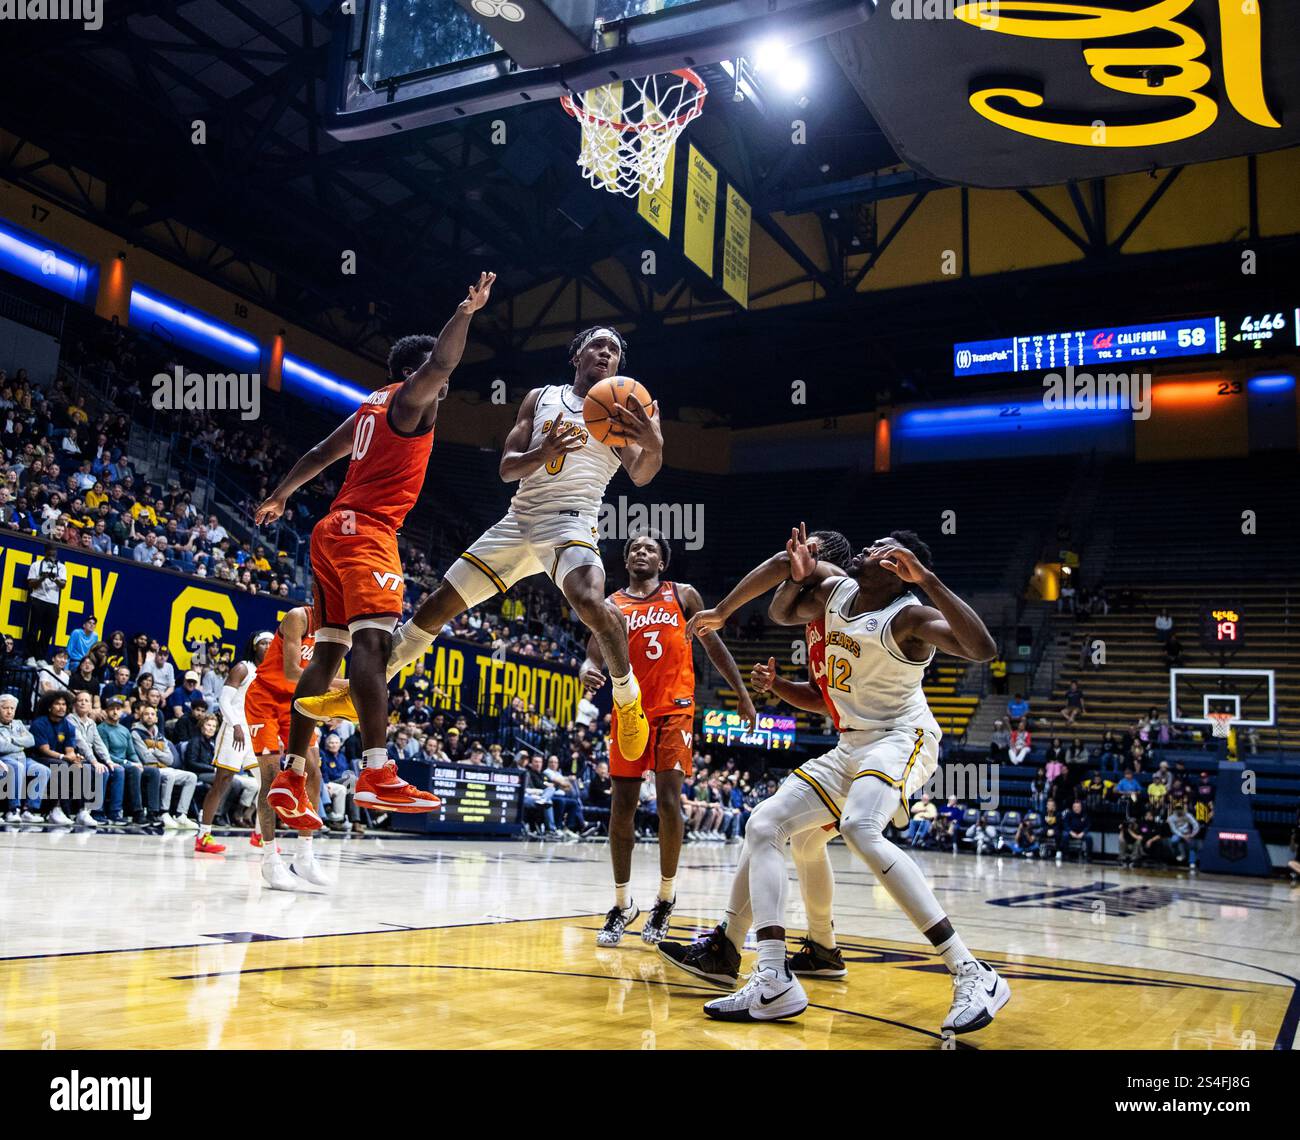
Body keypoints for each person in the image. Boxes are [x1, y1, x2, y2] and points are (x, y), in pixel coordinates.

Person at [678, 525, 1008, 1033]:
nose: (868, 549)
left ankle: (971, 970)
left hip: (902, 737)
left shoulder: (910, 615)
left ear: (900, 570)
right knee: (764, 825)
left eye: (881, 550)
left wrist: (928, 580)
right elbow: (783, 608)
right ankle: (772, 978)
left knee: (860, 828)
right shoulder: (838, 590)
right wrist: (794, 578)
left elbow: (982, 648)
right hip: (849, 744)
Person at [294, 323, 662, 777]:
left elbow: (644, 474)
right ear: (577, 356)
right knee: (433, 609)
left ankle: (627, 700)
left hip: (571, 521)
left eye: (613, 350)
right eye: (596, 346)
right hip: (518, 521)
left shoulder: (624, 411)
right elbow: (507, 469)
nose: (605, 353)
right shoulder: (540, 397)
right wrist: (544, 451)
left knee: (589, 600)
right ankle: (358, 692)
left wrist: (653, 439)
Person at [256, 274, 495, 822]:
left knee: (331, 649)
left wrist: (278, 496)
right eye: (437, 380)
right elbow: (441, 364)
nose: (444, 389)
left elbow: (319, 452)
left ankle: (291, 776)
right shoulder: (412, 402)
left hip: (330, 531)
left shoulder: (370, 405)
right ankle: (376, 771)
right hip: (367, 533)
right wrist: (465, 312)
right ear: (418, 375)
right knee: (374, 647)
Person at [660, 530, 860, 988]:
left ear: (818, 556)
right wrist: (779, 688)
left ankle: (729, 947)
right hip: (862, 745)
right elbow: (821, 696)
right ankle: (825, 949)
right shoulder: (824, 616)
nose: (796, 555)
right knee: (805, 844)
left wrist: (721, 612)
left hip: (873, 750)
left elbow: (776, 577)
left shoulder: (837, 585)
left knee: (765, 824)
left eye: (807, 551)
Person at [581, 532, 754, 947]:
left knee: (669, 801)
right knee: (621, 805)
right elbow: (592, 652)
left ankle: (665, 897)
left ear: (662, 562)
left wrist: (743, 695)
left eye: (650, 549)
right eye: (635, 548)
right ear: (626, 560)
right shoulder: (611, 605)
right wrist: (586, 667)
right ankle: (622, 904)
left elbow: (714, 648)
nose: (642, 552)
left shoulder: (684, 595)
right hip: (629, 710)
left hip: (675, 708)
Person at [246, 607, 338, 888]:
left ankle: (304, 857)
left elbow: (321, 676)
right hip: (265, 698)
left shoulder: (338, 631)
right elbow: (291, 671)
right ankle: (269, 859)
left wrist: (333, 702)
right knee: (272, 778)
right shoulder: (299, 617)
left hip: (297, 700)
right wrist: (344, 686)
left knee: (312, 771)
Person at [193, 631, 273, 853]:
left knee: (267, 783)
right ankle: (204, 836)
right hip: (233, 730)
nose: (268, 646)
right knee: (222, 781)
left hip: (256, 734)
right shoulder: (243, 668)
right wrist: (236, 725)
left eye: (271, 643)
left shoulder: (270, 673)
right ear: (255, 646)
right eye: (263, 643)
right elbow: (224, 701)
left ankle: (259, 835)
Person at [0, 693, 49, 822]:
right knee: (17, 767)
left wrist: (12, 740)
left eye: (12, 708)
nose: (9, 711)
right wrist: (20, 745)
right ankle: (13, 810)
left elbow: (31, 740)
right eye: (5, 708)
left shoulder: (18, 724)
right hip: (5, 759)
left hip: (23, 759)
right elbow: (2, 747)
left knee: (43, 770)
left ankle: (29, 810)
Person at [23, 544, 65, 663]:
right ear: (46, 552)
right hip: (38, 599)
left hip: (53, 602)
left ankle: (40, 657)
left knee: (47, 632)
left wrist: (55, 578)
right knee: (33, 630)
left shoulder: (61, 567)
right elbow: (31, 584)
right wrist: (42, 578)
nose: (52, 553)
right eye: (50, 550)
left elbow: (63, 585)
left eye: (54, 551)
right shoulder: (36, 565)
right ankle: (29, 656)